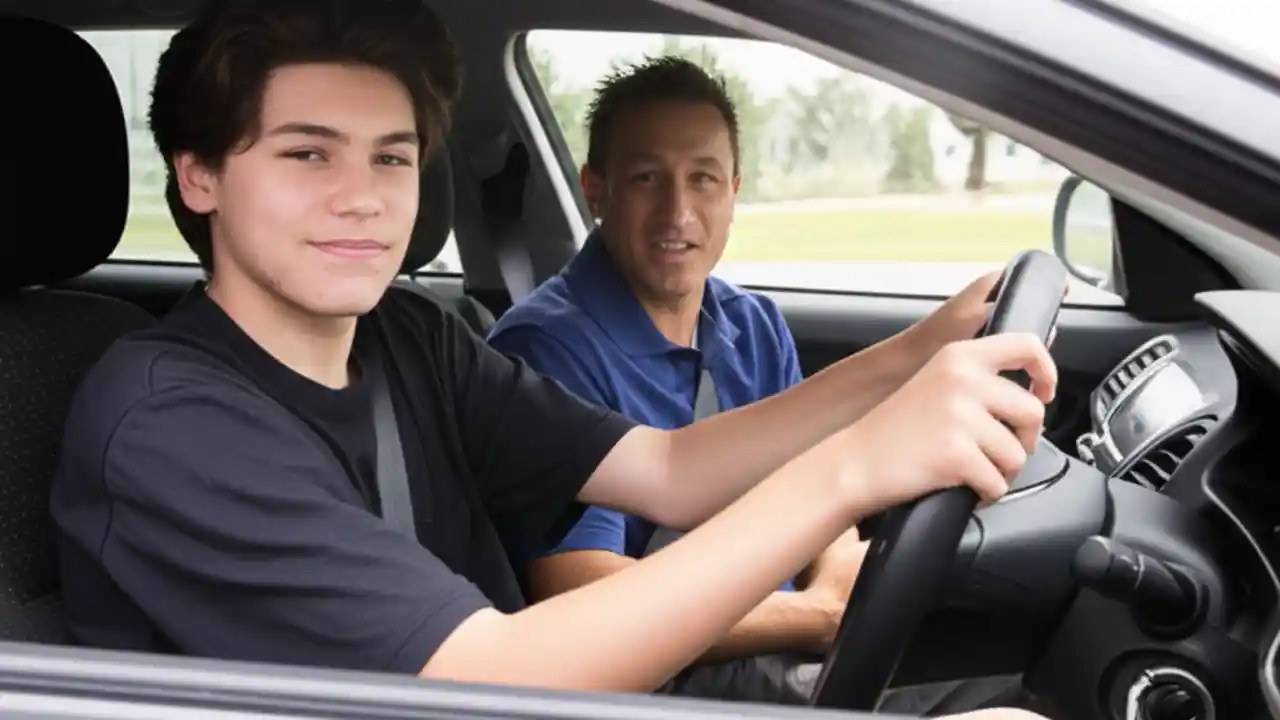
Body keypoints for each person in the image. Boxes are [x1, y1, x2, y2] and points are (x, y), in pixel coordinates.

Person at [50, 1, 1054, 717]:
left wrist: (913, 355)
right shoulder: (167, 423)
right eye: (308, 153)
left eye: (391, 156)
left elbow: (666, 470)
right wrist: (855, 469)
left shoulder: (409, 337)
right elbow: (490, 670)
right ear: (200, 178)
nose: (362, 196)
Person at [486, 57, 1034, 713]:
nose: (678, 211)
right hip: (663, 679)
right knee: (1017, 686)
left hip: (785, 634)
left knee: (1020, 656)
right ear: (594, 188)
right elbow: (579, 593)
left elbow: (821, 481)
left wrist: (833, 591)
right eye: (645, 179)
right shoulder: (546, 351)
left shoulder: (752, 322)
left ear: (735, 189)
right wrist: (813, 616)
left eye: (703, 179)